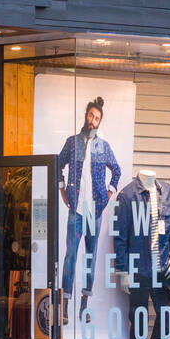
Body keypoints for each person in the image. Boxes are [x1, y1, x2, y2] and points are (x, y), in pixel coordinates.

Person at [56, 95, 120, 320]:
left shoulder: (103, 146)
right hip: (77, 209)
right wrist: (62, 189)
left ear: (100, 122)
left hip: (95, 210)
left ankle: (85, 302)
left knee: (90, 257)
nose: (93, 120)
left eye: (97, 118)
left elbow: (117, 170)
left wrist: (109, 193)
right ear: (86, 116)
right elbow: (58, 164)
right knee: (70, 256)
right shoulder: (72, 142)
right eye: (91, 115)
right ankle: (64, 304)